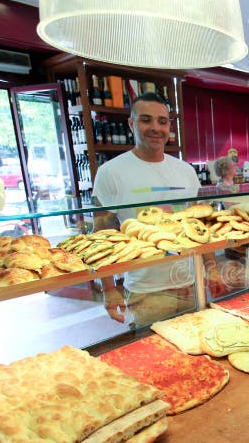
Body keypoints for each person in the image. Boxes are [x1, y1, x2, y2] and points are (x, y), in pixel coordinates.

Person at [92, 92, 223, 329]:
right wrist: (108, 289)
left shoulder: (185, 171)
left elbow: (200, 227)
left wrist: (211, 269)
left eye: (162, 121)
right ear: (131, 124)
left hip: (190, 284)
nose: (155, 128)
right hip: (146, 292)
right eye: (146, 120)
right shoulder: (110, 172)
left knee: (195, 347)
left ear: (169, 126)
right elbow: (101, 237)